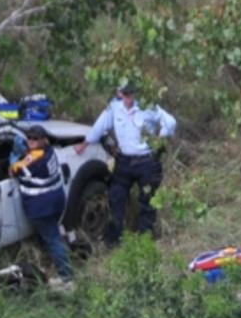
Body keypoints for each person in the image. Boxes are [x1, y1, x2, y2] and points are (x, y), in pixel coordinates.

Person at [74, 79, 176, 245]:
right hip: (125, 162)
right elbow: (100, 126)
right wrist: (85, 143)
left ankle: (145, 241)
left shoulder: (147, 106)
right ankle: (113, 242)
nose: (128, 98)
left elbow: (170, 122)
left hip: (146, 162)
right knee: (116, 199)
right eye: (125, 94)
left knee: (147, 202)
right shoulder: (114, 107)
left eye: (131, 94)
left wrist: (160, 139)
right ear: (119, 93)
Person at [11, 123, 74, 286]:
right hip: (56, 200)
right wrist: (26, 152)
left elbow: (12, 171)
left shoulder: (32, 162)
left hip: (41, 207)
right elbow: (34, 156)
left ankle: (67, 279)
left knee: (53, 240)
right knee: (52, 236)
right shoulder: (49, 152)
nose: (31, 140)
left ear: (44, 140)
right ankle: (58, 264)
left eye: (35, 138)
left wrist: (14, 157)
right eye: (29, 137)